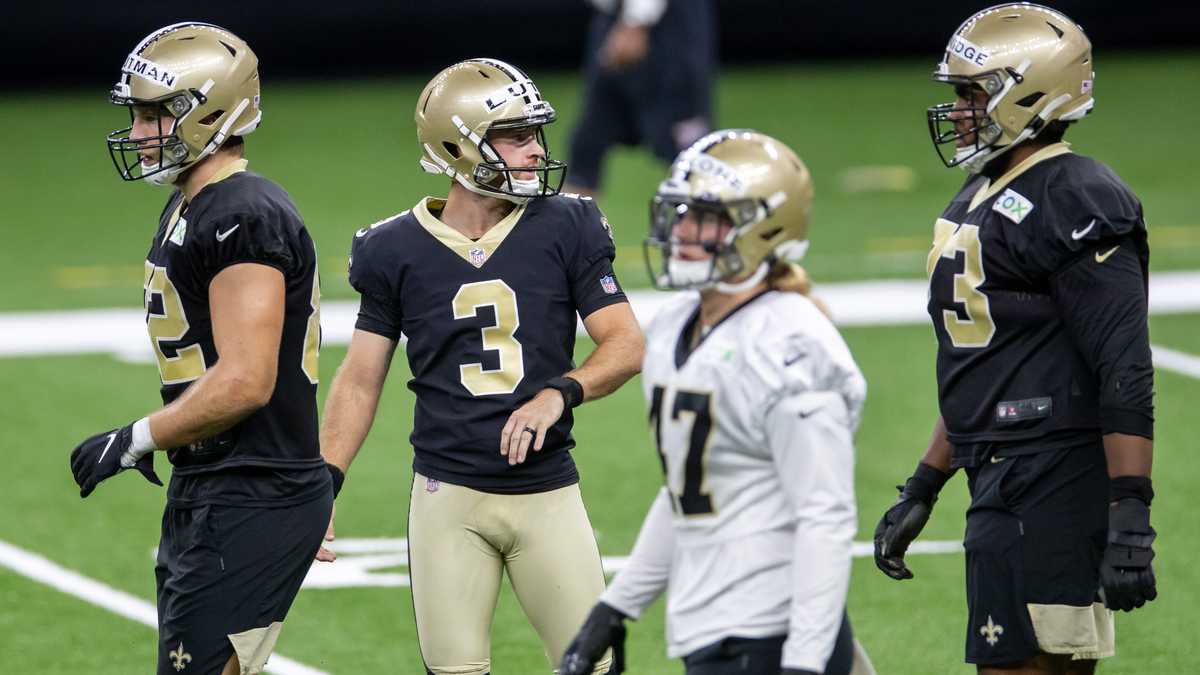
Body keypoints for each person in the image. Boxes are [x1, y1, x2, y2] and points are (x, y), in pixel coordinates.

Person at [316, 58, 645, 674]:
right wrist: (324, 481)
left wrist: (560, 393)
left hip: (548, 491)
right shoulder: (392, 249)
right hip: (448, 495)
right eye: (516, 136)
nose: (534, 151)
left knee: (594, 668)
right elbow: (361, 378)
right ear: (457, 143)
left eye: (535, 134)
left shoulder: (567, 225)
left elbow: (625, 344)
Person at [872, 4, 1157, 674]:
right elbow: (981, 363)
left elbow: (1124, 366)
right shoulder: (978, 194)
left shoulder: (1077, 194)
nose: (960, 111)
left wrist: (1131, 511)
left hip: (1054, 473)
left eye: (973, 94)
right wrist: (924, 483)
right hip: (996, 472)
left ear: (1031, 90)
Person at [560, 130, 877, 675]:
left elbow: (824, 517)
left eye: (705, 217)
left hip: (770, 629)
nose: (680, 231)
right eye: (679, 213)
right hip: (710, 621)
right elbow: (689, 487)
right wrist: (617, 607)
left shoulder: (789, 344)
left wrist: (804, 660)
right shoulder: (674, 326)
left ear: (763, 228)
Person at [69, 22, 332, 675]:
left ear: (213, 111)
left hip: (253, 486)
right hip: (219, 481)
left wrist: (135, 436)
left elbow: (247, 379)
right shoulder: (197, 201)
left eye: (154, 115)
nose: (137, 133)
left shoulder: (243, 210)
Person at [563, 0, 717, 197]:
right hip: (615, 19)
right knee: (587, 145)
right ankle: (569, 226)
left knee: (692, 159)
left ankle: (718, 222)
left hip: (663, 24)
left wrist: (636, 22)